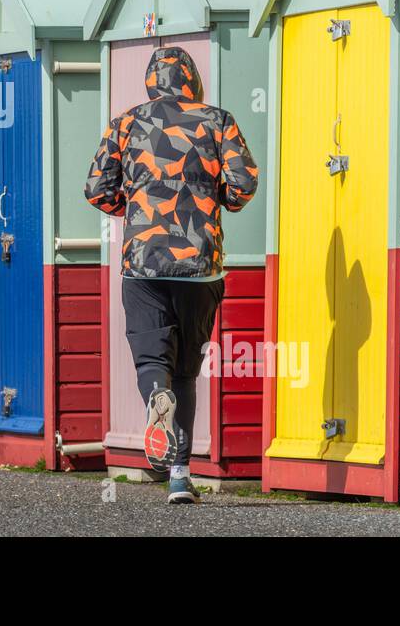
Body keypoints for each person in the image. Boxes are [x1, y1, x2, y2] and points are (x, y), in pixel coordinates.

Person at [84, 46, 258, 504]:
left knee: (152, 360)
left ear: (150, 81)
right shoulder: (219, 120)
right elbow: (243, 186)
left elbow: (96, 189)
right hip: (201, 266)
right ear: (191, 80)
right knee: (187, 369)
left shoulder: (125, 124)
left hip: (143, 261)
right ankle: (180, 477)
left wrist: (137, 210)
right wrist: (212, 200)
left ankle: (154, 397)